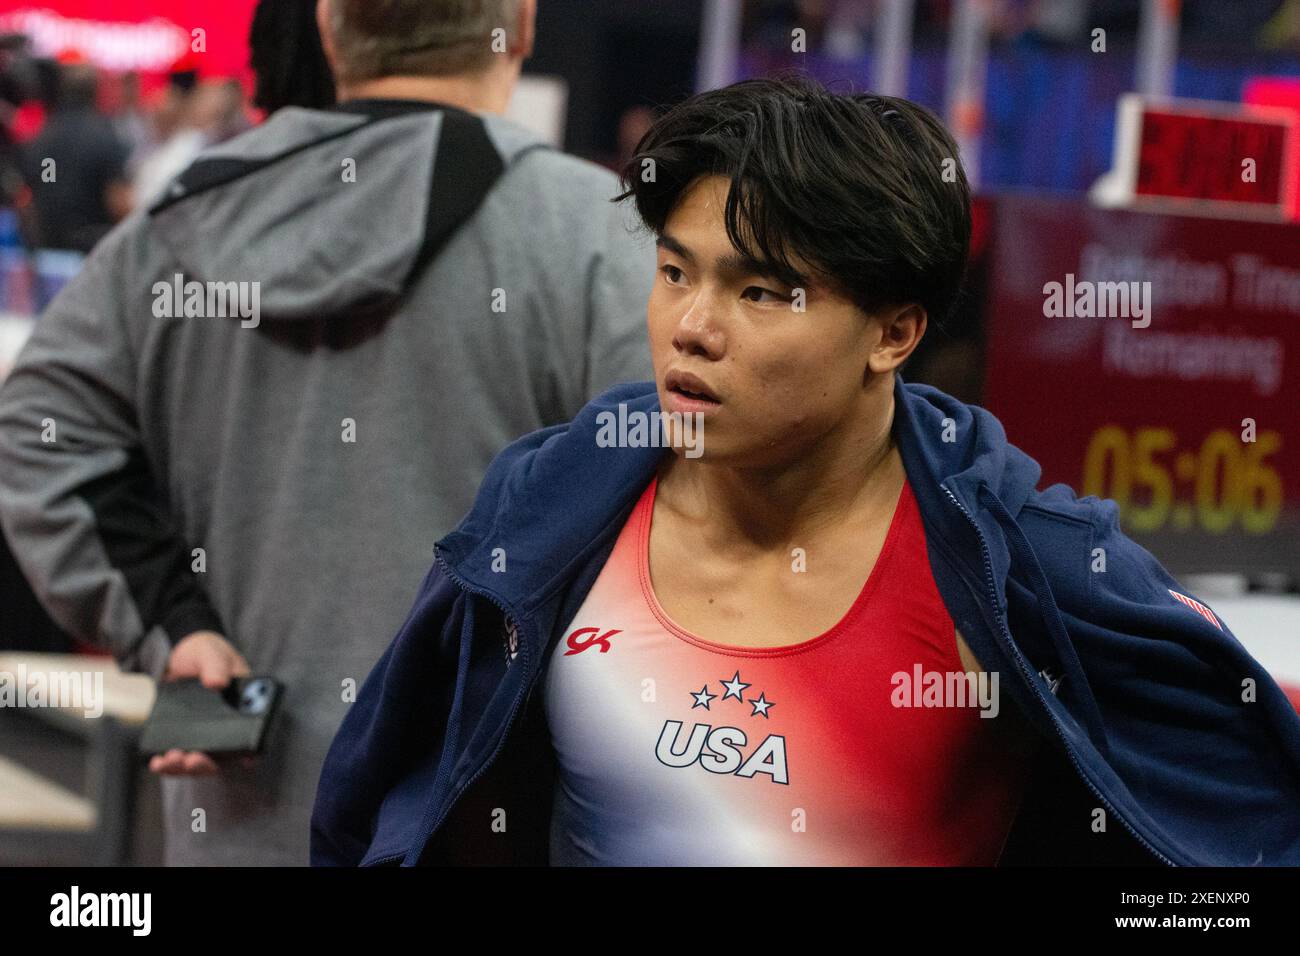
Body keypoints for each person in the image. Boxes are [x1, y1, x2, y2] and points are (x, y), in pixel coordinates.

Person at [311, 75, 1300, 867]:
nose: (692, 326)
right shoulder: (546, 508)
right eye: (674, 272)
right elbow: (383, 798)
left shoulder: (1024, 560)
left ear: (893, 332)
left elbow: (1250, 813)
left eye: (760, 291)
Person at [0, 0, 652, 865]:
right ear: (522, 27)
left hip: (238, 800)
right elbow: (681, 509)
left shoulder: (176, 224)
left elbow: (39, 432)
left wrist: (173, 624)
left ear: (330, 27)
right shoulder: (598, 235)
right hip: (480, 818)